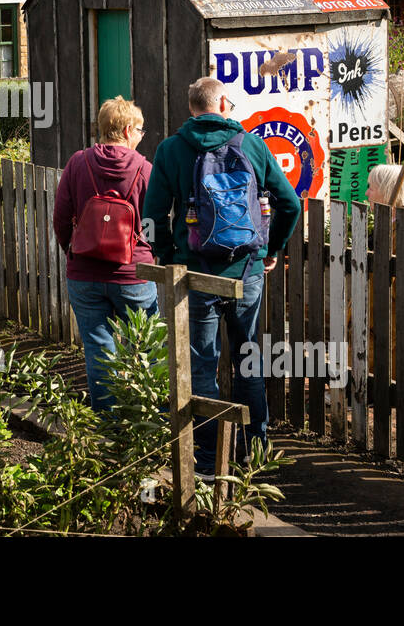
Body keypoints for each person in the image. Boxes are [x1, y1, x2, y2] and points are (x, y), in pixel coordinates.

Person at [142, 77, 301, 476]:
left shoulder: (171, 150)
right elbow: (290, 203)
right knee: (247, 356)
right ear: (224, 105)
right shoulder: (251, 145)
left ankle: (211, 461)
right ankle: (257, 453)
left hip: (195, 274)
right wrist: (272, 249)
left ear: (192, 107)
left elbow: (154, 214)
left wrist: (167, 256)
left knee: (202, 367)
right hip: (246, 271)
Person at [53, 96, 157, 412]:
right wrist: (149, 255)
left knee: (99, 351)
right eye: (140, 130)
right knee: (146, 350)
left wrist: (73, 252)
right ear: (127, 130)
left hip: (84, 276)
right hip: (133, 277)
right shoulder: (144, 169)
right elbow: (154, 221)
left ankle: (109, 428)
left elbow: (60, 217)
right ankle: (147, 423)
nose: (142, 136)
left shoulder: (77, 163)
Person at [364, 164, 404, 385]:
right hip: (381, 328)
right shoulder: (389, 226)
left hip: (397, 334)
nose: (366, 193)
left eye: (371, 188)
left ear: (388, 192)